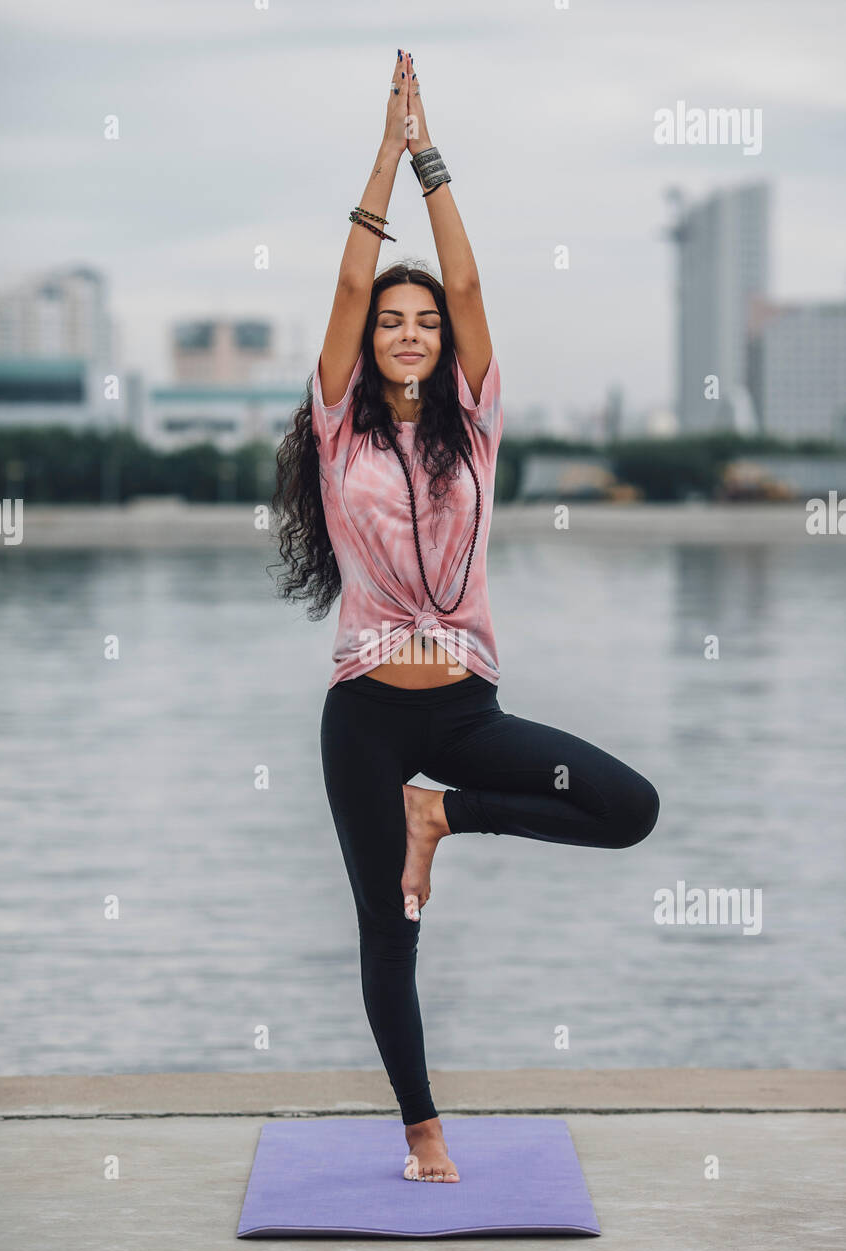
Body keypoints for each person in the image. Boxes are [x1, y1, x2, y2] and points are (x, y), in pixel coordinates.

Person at [272, 50, 659, 1183]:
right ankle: (421, 1128)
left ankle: (448, 816)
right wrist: (379, 161)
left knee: (626, 807)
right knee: (387, 931)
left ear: (442, 345)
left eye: (419, 322)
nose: (403, 329)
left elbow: (473, 289)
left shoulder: (476, 425)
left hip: (465, 721)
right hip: (368, 723)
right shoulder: (340, 429)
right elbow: (345, 291)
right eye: (390, 319)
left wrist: (433, 162)